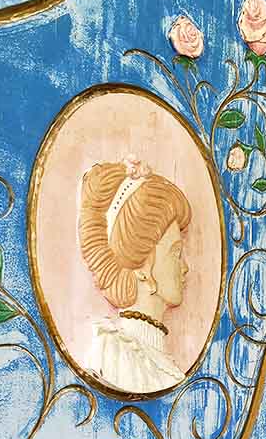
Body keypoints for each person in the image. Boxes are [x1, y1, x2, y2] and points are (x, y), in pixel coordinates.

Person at [78, 155, 191, 393]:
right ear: (142, 269)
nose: (185, 267)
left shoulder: (160, 359)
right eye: (176, 252)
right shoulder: (113, 354)